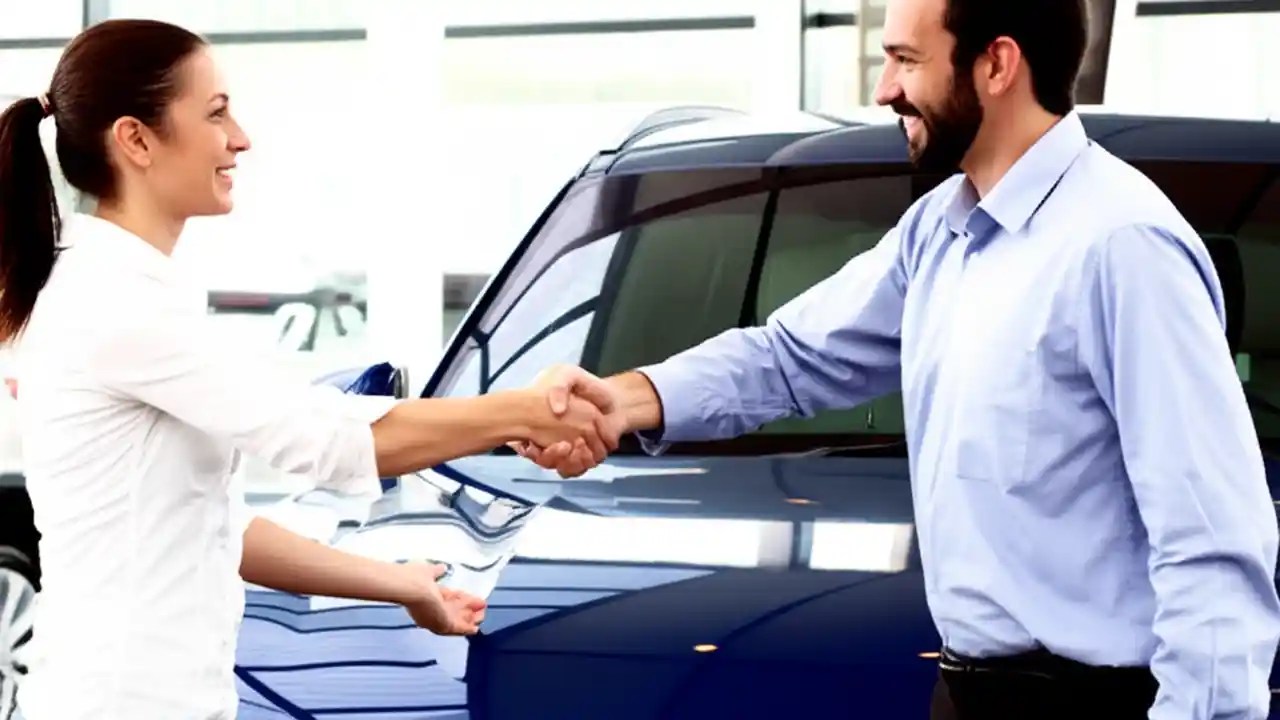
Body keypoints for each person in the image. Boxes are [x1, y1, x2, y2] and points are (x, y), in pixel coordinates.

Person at [514, 0, 1280, 718]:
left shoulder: (1122, 245)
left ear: (996, 65)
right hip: (968, 689)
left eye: (907, 60)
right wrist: (625, 400)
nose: (885, 90)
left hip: (1090, 700)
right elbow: (788, 359)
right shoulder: (939, 232)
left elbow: (1212, 537)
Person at [0, 18, 615, 720]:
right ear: (135, 139)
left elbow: (220, 530)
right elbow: (321, 438)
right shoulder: (114, 302)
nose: (240, 137)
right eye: (216, 112)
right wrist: (525, 412)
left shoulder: (121, 290)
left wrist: (403, 584)